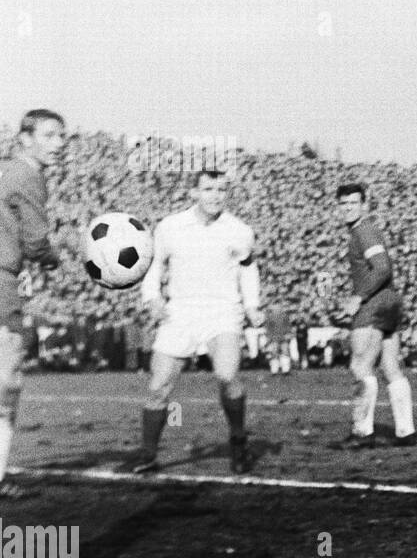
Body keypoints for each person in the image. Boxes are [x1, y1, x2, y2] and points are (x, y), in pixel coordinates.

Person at [119, 169, 263, 474]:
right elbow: (154, 265)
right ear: (194, 193)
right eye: (208, 189)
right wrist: (152, 298)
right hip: (180, 312)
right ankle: (148, 454)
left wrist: (251, 305)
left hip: (223, 312)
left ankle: (238, 441)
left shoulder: (239, 230)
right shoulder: (171, 226)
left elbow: (249, 267)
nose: (216, 195)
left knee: (226, 376)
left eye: (222, 190)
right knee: (159, 386)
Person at [0, 109, 64, 499]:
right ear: (25, 138)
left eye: (61, 137)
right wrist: (51, 259)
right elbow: (35, 242)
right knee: (7, 379)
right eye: (49, 135)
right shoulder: (29, 175)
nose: (58, 145)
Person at [333, 182, 417, 448]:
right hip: (390, 302)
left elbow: (382, 268)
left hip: (374, 303)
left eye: (353, 204)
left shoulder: (363, 231)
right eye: (343, 204)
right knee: (391, 367)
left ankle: (362, 432)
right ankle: (406, 432)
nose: (348, 209)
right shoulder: (364, 232)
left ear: (364, 205)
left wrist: (358, 297)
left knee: (360, 366)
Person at [264, 302, 297, 375]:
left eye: (278, 307)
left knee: (285, 351)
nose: (277, 308)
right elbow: (268, 329)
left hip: (283, 337)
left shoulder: (284, 316)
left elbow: (288, 326)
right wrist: (269, 337)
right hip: (274, 337)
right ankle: (274, 370)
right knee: (274, 353)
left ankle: (286, 370)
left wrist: (288, 334)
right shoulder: (270, 317)